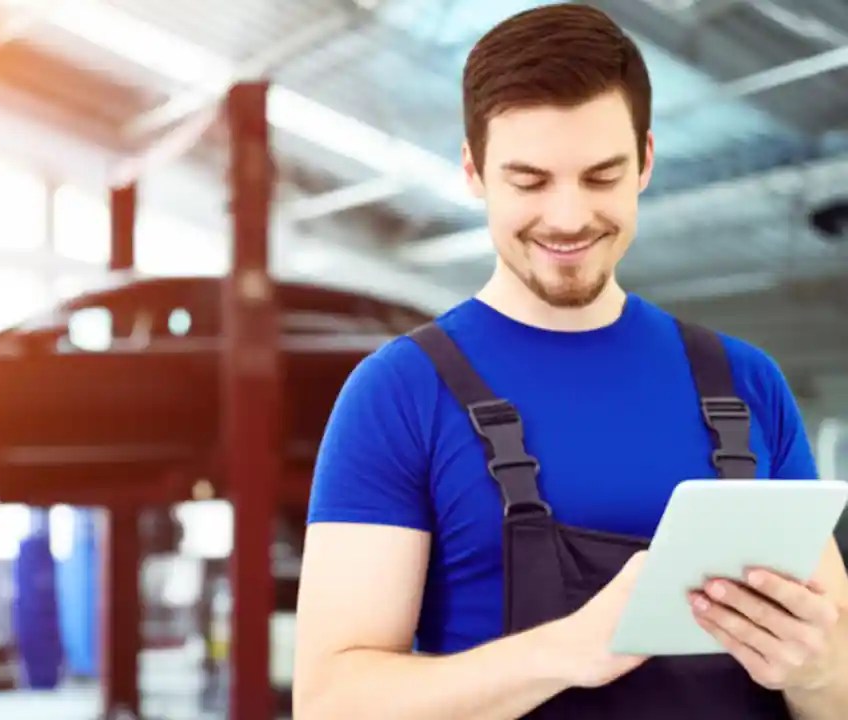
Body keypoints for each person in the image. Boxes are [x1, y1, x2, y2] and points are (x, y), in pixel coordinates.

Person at [292, 4, 848, 719]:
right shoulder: (399, 393)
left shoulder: (748, 384)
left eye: (601, 176)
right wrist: (565, 652)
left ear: (645, 161)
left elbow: (837, 684)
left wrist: (819, 673)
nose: (567, 218)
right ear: (474, 171)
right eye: (529, 181)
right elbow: (332, 703)